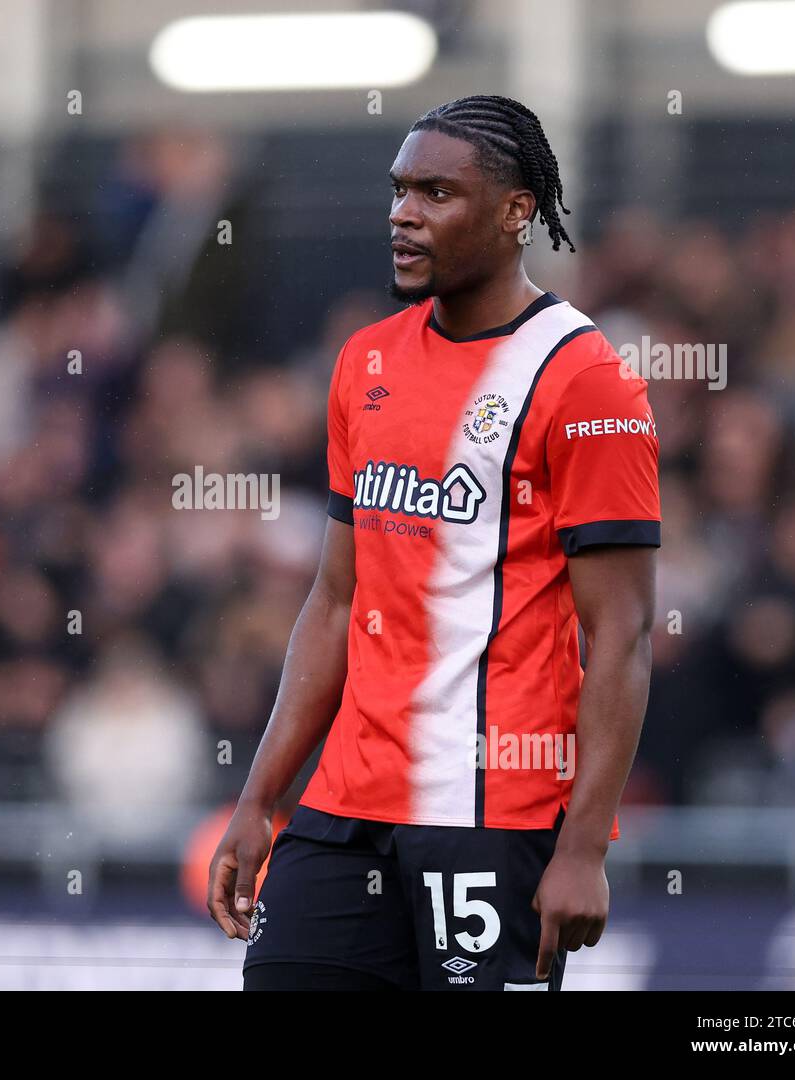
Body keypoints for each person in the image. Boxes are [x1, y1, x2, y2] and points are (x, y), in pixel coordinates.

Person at [208, 95, 661, 991]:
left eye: (436, 193)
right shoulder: (366, 361)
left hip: (495, 812)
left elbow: (622, 633)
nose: (403, 214)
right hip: (345, 804)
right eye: (399, 190)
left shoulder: (586, 381)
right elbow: (336, 600)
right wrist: (260, 798)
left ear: (516, 211)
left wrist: (583, 847)